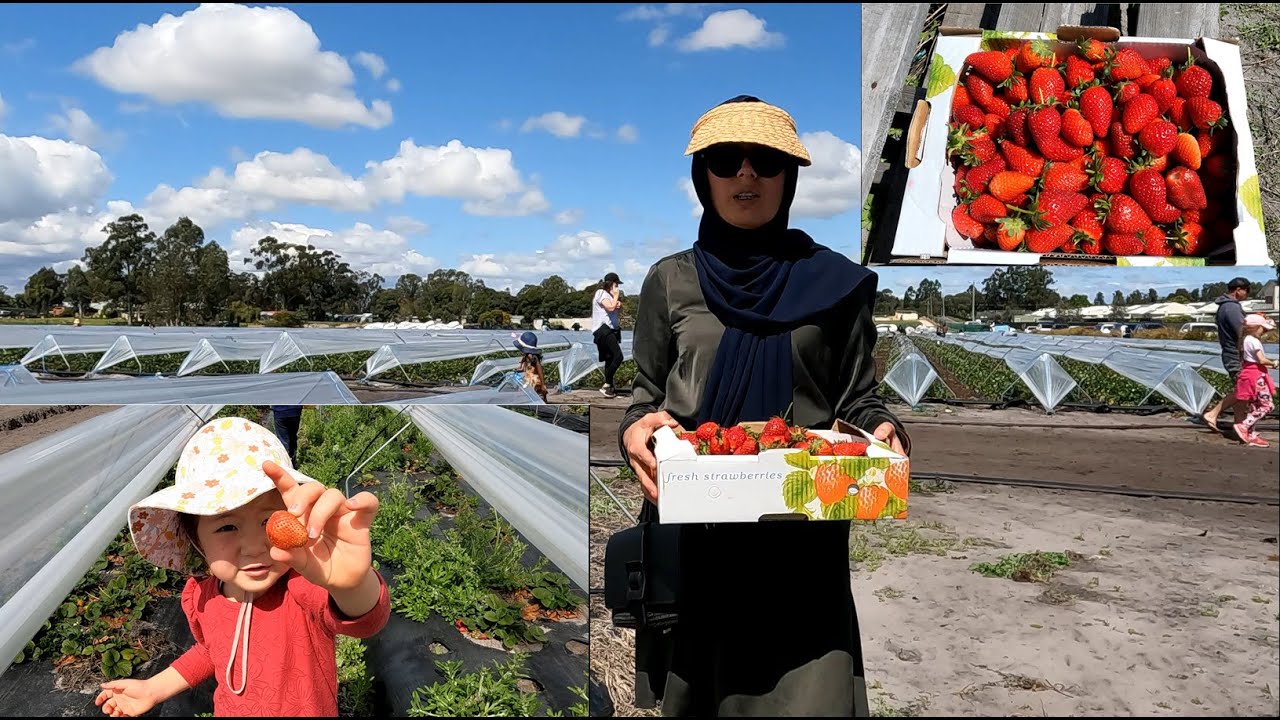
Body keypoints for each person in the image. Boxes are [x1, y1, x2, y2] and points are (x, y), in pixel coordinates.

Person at [617, 95, 909, 717]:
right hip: (697, 540)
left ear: (789, 177)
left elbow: (859, 395)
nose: (746, 175)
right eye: (727, 160)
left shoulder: (833, 282)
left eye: (766, 161)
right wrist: (635, 433)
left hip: (801, 542)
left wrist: (884, 429)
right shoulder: (670, 280)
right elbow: (644, 397)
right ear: (704, 177)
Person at [94, 417, 390, 717]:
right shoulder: (201, 596)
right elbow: (212, 651)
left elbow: (365, 619)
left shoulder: (302, 586)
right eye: (226, 528)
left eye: (268, 521)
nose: (253, 546)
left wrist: (352, 585)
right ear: (196, 542)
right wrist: (153, 688)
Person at [1201, 277, 1251, 434]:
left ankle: (1239, 424)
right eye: (1246, 291)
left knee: (1241, 390)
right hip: (1235, 354)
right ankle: (1213, 413)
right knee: (1245, 389)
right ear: (1238, 290)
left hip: (1230, 352)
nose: (1247, 294)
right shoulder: (1231, 308)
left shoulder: (1225, 307)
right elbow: (1242, 332)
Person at [1233, 314, 1276, 448]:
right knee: (1267, 405)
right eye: (1262, 329)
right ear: (1255, 328)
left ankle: (1250, 434)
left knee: (1255, 405)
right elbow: (1261, 360)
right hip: (1256, 376)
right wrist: (1274, 363)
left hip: (1249, 374)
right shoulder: (1254, 341)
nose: (1264, 332)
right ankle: (1244, 426)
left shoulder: (1245, 340)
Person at [592, 272, 625, 398]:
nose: (617, 288)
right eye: (616, 285)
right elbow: (610, 308)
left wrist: (618, 302)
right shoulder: (601, 293)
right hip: (603, 329)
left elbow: (615, 308)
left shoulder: (610, 296)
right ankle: (607, 383)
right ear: (611, 284)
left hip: (612, 330)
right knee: (618, 356)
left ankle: (609, 388)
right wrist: (616, 296)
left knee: (610, 358)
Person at [513, 331, 549, 402]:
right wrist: (520, 369)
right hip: (528, 378)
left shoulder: (532, 357)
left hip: (534, 379)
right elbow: (524, 367)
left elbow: (539, 368)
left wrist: (543, 384)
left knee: (536, 395)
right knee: (529, 395)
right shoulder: (526, 356)